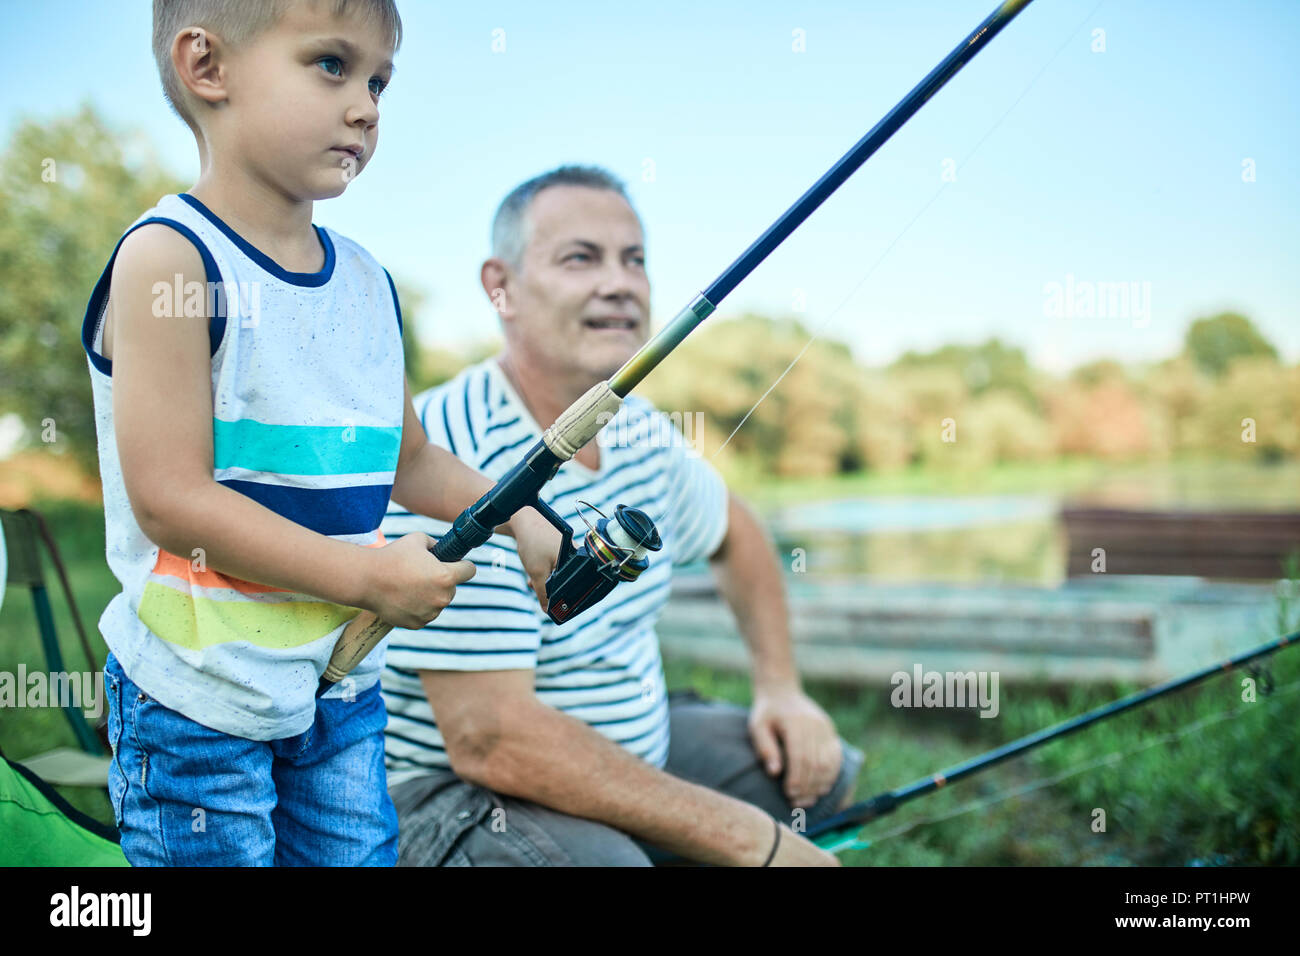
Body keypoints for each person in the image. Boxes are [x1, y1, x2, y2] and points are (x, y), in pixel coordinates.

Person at [81, 0, 560, 867]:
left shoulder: (368, 285)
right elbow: (172, 501)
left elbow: (407, 459)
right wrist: (369, 575)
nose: (368, 105)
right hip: (195, 698)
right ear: (207, 68)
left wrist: (523, 517)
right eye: (332, 65)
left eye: (380, 80)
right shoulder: (169, 260)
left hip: (338, 680)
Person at [380, 166, 863, 866]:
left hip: (622, 742)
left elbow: (738, 533)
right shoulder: (452, 444)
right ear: (500, 285)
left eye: (634, 260)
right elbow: (490, 738)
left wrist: (780, 687)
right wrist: (752, 842)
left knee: (818, 773)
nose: (621, 283)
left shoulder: (640, 427)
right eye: (581, 258)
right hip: (451, 790)